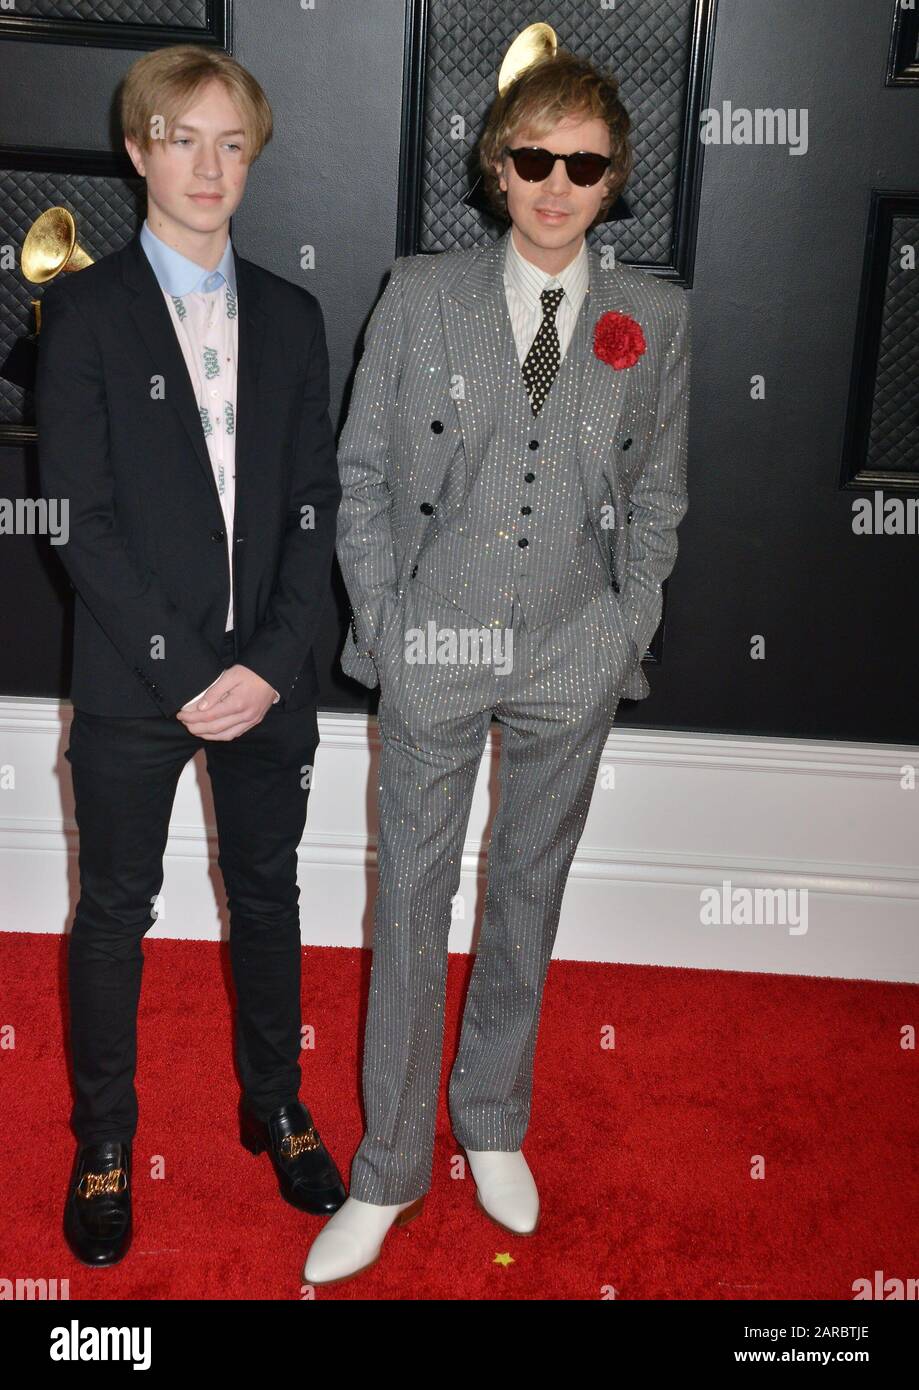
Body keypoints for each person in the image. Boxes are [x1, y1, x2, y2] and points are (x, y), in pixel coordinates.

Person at [307, 48, 691, 1286]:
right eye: (535, 158)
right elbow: (357, 479)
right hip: (437, 645)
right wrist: (393, 627)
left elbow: (662, 498)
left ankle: (493, 1122)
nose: (555, 185)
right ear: (498, 162)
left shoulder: (662, 318)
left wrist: (622, 632)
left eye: (583, 164)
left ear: (612, 176)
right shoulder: (417, 294)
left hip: (573, 652)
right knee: (411, 905)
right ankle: (388, 1169)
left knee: (527, 895)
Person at [35, 44, 344, 1267]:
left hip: (267, 676)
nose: (207, 165)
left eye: (230, 142)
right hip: (134, 678)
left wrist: (268, 660)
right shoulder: (85, 313)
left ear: (251, 156)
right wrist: (180, 670)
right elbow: (78, 519)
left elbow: (317, 504)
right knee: (116, 911)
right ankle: (105, 1139)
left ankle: (274, 1102)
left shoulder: (295, 314)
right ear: (138, 149)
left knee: (269, 897)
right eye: (182, 137)